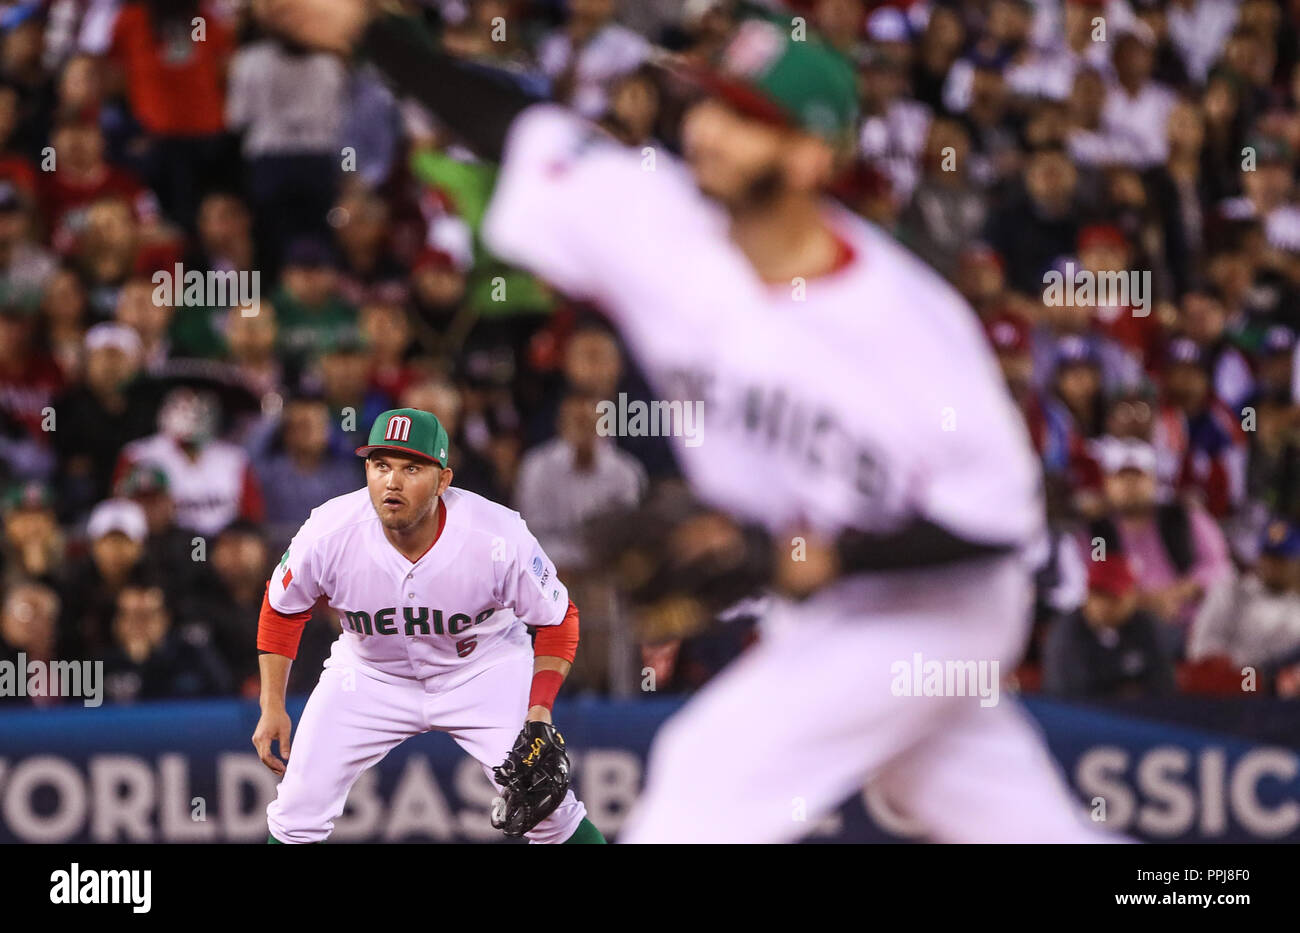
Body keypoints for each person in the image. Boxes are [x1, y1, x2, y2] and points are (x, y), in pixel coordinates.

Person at [261, 2, 1104, 842]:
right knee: (1008, 818)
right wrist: (371, 34)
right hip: (833, 601)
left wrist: (800, 555)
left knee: (708, 775)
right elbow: (519, 130)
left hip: (939, 601)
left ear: (814, 156)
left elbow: (1000, 521)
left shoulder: (914, 327)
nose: (708, 128)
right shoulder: (661, 224)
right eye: (710, 101)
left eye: (748, 119)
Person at [252, 408, 605, 844]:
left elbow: (558, 619)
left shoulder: (497, 536)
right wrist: (272, 705)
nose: (392, 482)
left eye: (411, 468)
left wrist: (540, 708)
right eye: (381, 466)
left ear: (443, 480)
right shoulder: (329, 531)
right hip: (367, 675)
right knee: (295, 812)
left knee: (549, 810)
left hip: (482, 670)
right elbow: (282, 608)